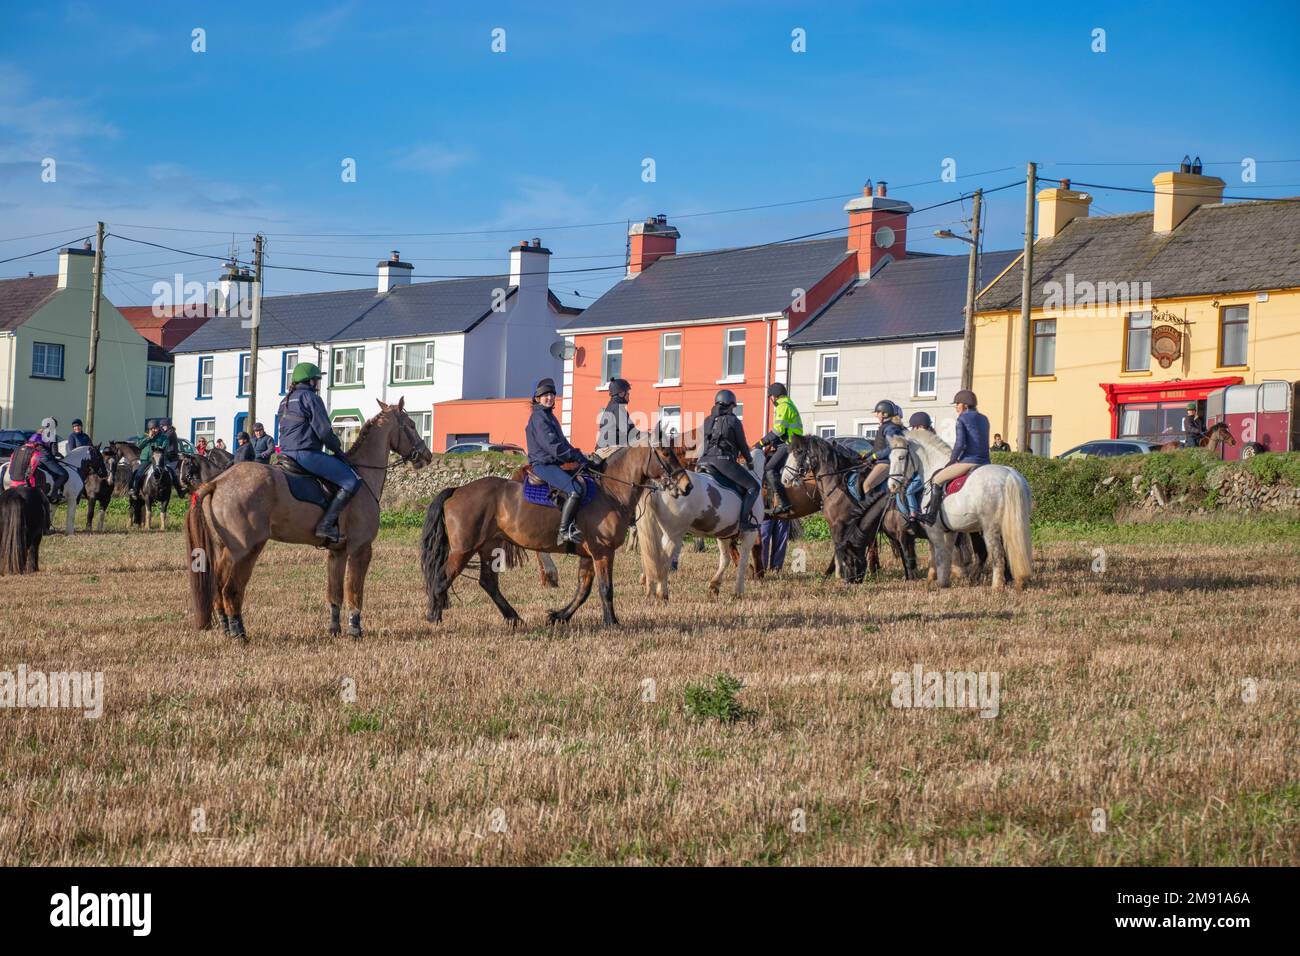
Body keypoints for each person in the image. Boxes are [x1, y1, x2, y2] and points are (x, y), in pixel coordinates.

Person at [277, 362, 362, 543]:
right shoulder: (310, 398)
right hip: (304, 454)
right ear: (310, 381)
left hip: (284, 453)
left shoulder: (285, 400)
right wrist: (339, 451)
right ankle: (325, 525)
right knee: (351, 480)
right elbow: (324, 432)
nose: (318, 383)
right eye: (317, 380)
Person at [526, 377, 601, 546]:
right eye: (546, 395)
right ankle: (564, 530)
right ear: (537, 398)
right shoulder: (539, 418)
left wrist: (581, 456)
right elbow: (554, 447)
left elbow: (563, 444)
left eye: (552, 394)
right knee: (574, 490)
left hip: (553, 463)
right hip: (543, 465)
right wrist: (573, 456)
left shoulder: (550, 417)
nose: (550, 397)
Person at [920, 389, 991, 526]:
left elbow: (960, 444)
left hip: (969, 461)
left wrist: (951, 462)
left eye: (957, 404)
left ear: (965, 404)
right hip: (986, 462)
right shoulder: (984, 418)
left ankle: (931, 516)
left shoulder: (962, 418)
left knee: (937, 479)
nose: (956, 407)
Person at [698, 389, 760, 532]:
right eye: (733, 406)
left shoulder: (707, 420)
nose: (733, 409)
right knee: (753, 487)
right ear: (730, 404)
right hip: (723, 462)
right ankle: (744, 522)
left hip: (703, 461)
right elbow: (742, 445)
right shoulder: (733, 420)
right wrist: (749, 461)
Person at [761, 383, 803, 516]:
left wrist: (760, 443)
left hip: (790, 444)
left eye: (772, 397)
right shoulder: (789, 403)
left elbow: (778, 430)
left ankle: (784, 503)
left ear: (775, 396)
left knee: (769, 468)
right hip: (789, 442)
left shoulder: (783, 406)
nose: (772, 400)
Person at [857, 400, 907, 499]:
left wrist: (874, 456)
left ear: (884, 414)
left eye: (878, 413)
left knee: (867, 485)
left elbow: (892, 448)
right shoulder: (885, 427)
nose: (876, 415)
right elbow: (879, 447)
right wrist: (867, 455)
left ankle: (873, 511)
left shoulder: (890, 428)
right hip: (880, 461)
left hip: (886, 463)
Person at [894, 412, 932, 521]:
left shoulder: (924, 440)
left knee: (909, 491)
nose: (913, 430)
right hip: (919, 472)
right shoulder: (927, 438)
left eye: (914, 427)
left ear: (920, 426)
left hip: (923, 473)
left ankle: (913, 513)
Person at [595, 378, 643, 450]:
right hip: (609, 448)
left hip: (609, 446)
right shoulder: (617, 407)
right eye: (627, 392)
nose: (629, 394)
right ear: (621, 393)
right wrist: (645, 436)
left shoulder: (614, 405)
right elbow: (627, 431)